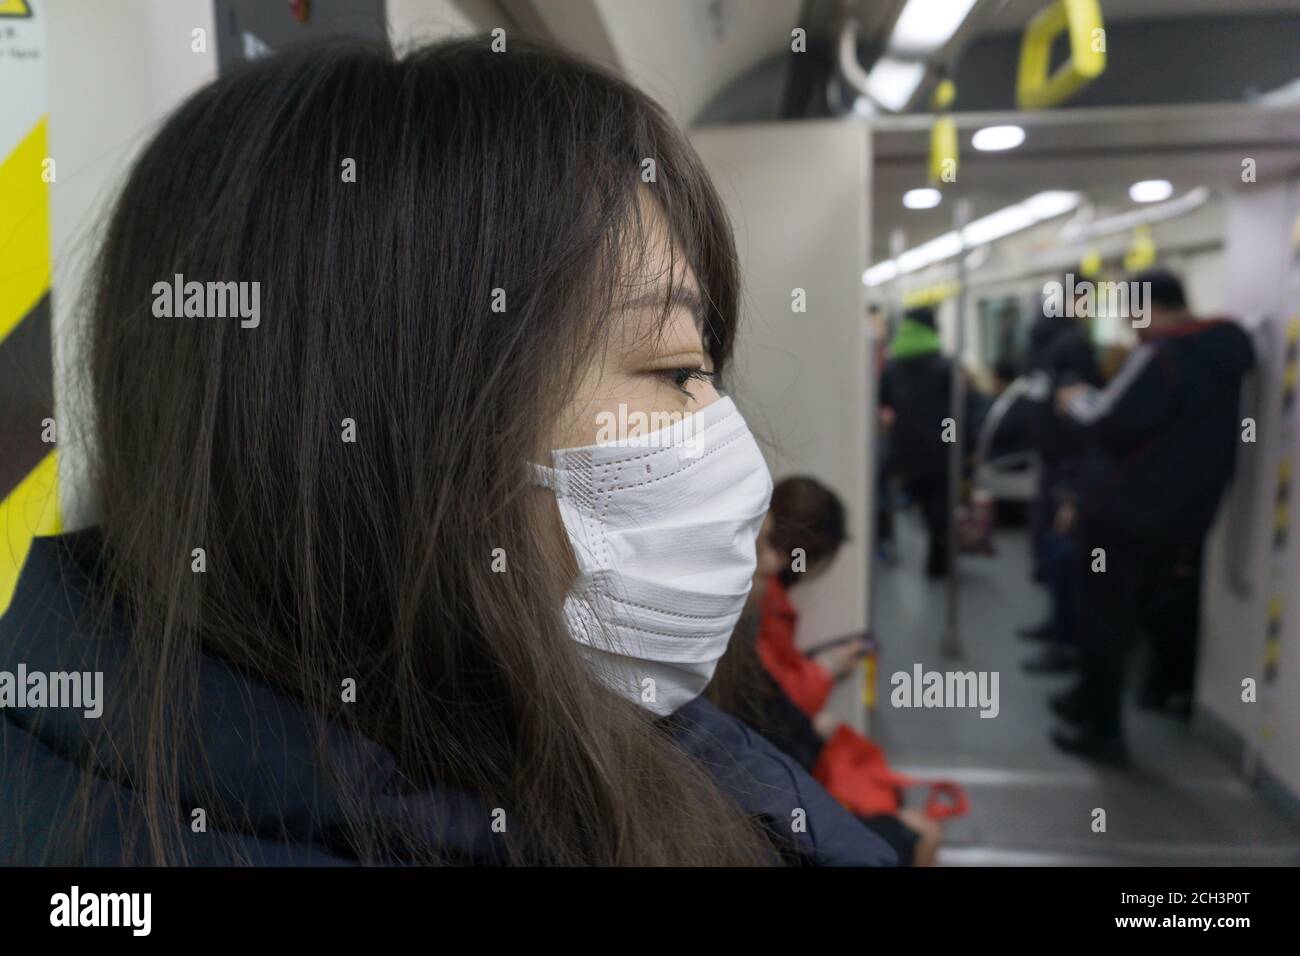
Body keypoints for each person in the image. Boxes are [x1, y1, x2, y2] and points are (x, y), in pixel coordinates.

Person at [0, 38, 895, 866]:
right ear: (389, 432)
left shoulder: (571, 717)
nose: (722, 440)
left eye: (706, 368)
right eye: (673, 367)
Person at [1048, 269, 1254, 765]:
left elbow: (1109, 424)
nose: (1128, 322)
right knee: (1140, 613)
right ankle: (1093, 698)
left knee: (1105, 619)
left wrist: (1075, 403)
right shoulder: (1227, 354)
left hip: (1121, 513)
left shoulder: (1159, 357)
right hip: (1183, 516)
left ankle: (1103, 731)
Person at [711, 476, 946, 866]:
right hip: (773, 810)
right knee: (921, 835)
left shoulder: (740, 633)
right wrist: (828, 669)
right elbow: (772, 720)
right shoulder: (753, 621)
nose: (773, 562)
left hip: (776, 795)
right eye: (760, 545)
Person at [1018, 277, 1102, 653]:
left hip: (1048, 454)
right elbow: (1083, 408)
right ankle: (1068, 637)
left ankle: (1058, 626)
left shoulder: (1038, 339)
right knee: (1066, 546)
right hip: (1070, 458)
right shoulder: (1074, 344)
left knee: (1052, 544)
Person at [879, 307, 953, 577]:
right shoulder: (945, 366)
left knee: (919, 497)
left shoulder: (893, 367)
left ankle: (889, 544)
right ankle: (939, 555)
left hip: (905, 447)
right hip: (942, 447)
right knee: (940, 501)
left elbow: (883, 405)